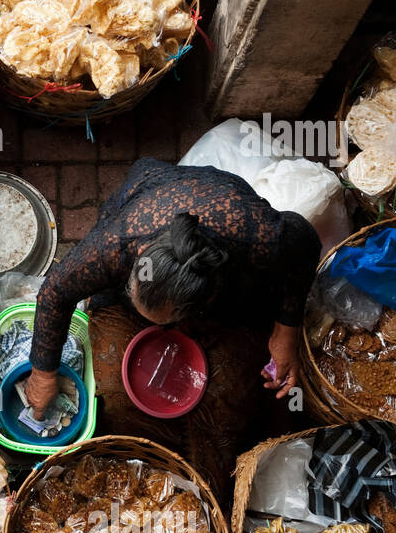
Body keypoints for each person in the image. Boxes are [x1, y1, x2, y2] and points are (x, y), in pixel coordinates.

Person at [25, 158, 321, 491]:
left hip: (230, 292)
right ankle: (152, 460)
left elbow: (306, 243)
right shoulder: (118, 244)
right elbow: (55, 292)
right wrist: (43, 373)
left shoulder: (254, 236)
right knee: (114, 395)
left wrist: (286, 331)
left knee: (229, 401)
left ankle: (201, 483)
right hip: (150, 233)